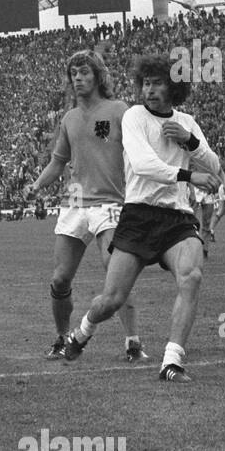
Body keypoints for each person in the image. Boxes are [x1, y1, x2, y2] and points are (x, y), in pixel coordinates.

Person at [62, 55, 221, 383]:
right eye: (146, 83)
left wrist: (189, 141)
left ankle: (172, 361)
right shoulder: (134, 116)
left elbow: (214, 166)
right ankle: (82, 331)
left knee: (191, 277)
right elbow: (144, 164)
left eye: (158, 83)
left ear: (173, 87)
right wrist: (189, 176)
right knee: (111, 300)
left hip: (177, 218)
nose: (149, 89)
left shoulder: (187, 122)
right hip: (138, 216)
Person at [25, 50, 149, 363]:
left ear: (97, 76)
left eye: (84, 73)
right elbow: (58, 162)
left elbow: (138, 149)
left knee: (116, 273)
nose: (78, 79)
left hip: (110, 203)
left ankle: (133, 343)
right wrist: (36, 186)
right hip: (75, 203)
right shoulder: (68, 118)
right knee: (60, 279)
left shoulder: (119, 109)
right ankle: (62, 338)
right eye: (73, 74)